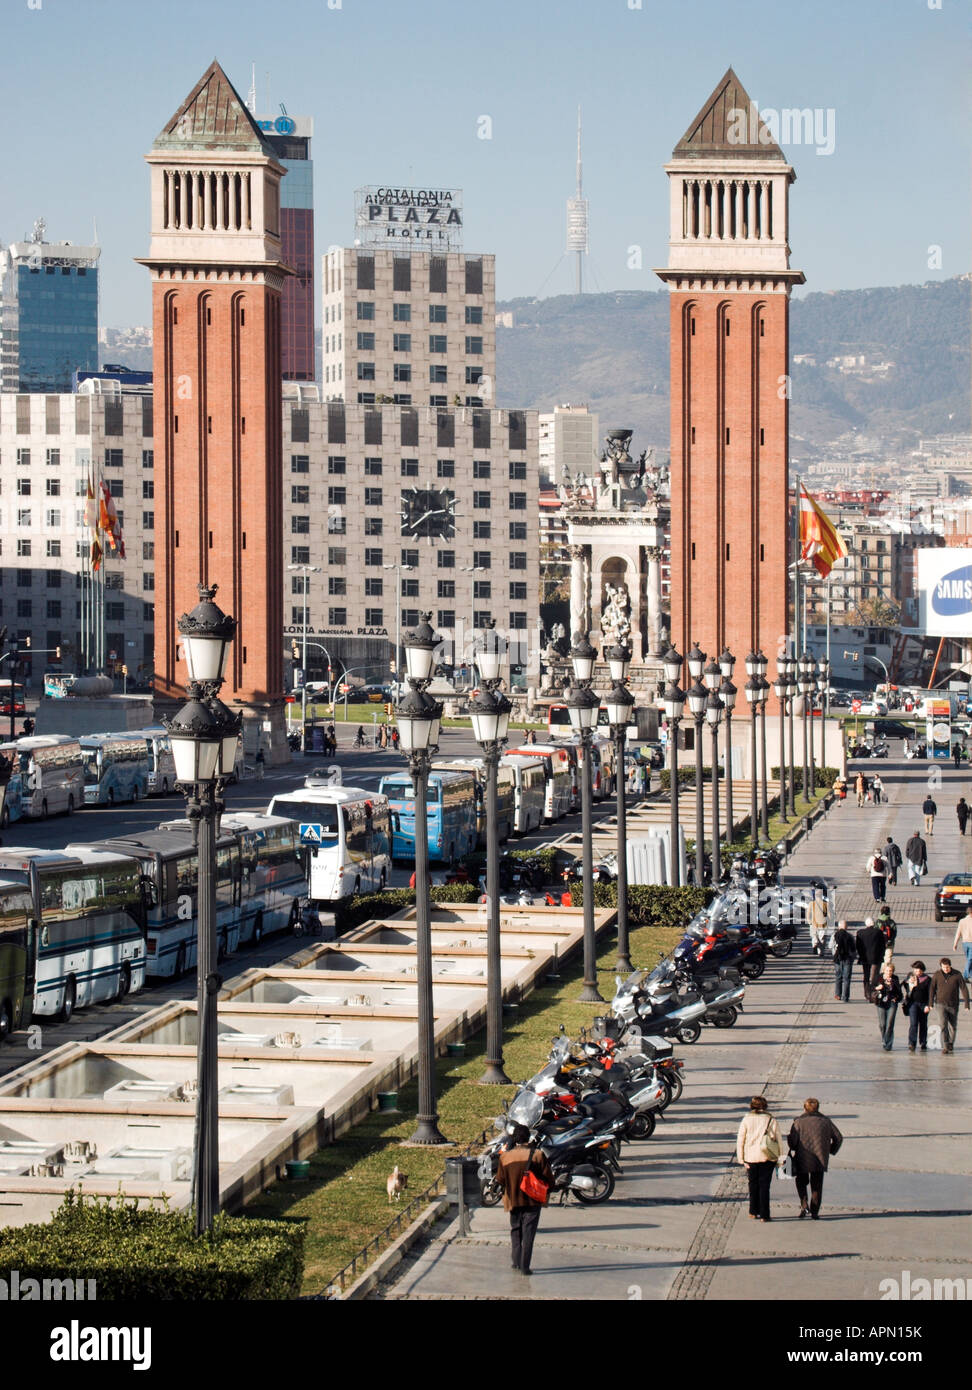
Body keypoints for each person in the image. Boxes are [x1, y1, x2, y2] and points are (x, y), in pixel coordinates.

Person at [496, 1124, 555, 1275]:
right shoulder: (538, 1155)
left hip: (513, 1200)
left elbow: (500, 1180)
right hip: (532, 1201)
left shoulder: (505, 1157)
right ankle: (525, 1266)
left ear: (514, 1138)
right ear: (528, 1138)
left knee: (515, 1231)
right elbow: (548, 1178)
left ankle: (516, 1261)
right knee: (528, 1233)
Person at [787, 1098, 843, 1220]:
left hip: (802, 1157)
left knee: (801, 1181)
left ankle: (804, 1203)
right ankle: (814, 1211)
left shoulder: (798, 1122)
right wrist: (830, 1150)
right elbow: (838, 1137)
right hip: (820, 1158)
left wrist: (792, 1143)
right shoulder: (826, 1121)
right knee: (817, 1185)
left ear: (804, 1108)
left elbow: (792, 1142)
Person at [736, 1095, 785, 1222]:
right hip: (767, 1156)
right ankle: (765, 1214)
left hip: (750, 1157)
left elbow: (740, 1140)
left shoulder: (746, 1119)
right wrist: (781, 1159)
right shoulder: (771, 1119)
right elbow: (779, 1140)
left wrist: (741, 1159)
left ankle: (753, 1211)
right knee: (765, 1186)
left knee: (752, 1184)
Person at [928, 957, 970, 1054]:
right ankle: (946, 1045)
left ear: (950, 966)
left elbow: (964, 988)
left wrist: (967, 1003)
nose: (946, 969)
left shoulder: (957, 974)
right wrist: (930, 1003)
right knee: (943, 1025)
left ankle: (951, 1043)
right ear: (941, 966)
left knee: (953, 1026)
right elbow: (932, 989)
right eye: (944, 967)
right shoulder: (937, 975)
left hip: (953, 1005)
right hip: (940, 1004)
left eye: (947, 967)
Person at [872, 960, 902, 1050]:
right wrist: (877, 988)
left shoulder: (895, 979)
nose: (889, 973)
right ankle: (884, 1038)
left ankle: (888, 1043)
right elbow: (871, 988)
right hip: (881, 1003)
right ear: (884, 971)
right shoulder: (879, 978)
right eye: (887, 971)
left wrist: (895, 996)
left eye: (890, 971)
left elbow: (900, 993)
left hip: (892, 1003)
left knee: (889, 1024)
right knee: (882, 1024)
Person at [902, 960, 931, 1052]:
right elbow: (904, 988)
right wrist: (909, 984)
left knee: (923, 1024)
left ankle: (923, 1042)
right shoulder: (910, 977)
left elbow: (931, 993)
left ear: (923, 970)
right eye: (915, 970)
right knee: (913, 1023)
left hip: (923, 1004)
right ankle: (912, 1043)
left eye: (919, 970)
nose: (917, 972)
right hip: (912, 1003)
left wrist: (929, 1005)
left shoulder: (927, 979)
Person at [856, 916, 886, 1000]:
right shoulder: (878, 932)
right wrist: (882, 955)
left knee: (866, 976)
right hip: (876, 958)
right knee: (874, 976)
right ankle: (873, 994)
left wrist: (861, 955)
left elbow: (858, 946)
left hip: (864, 958)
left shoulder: (860, 933)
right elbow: (882, 945)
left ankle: (867, 993)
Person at [832, 919, 856, 1002]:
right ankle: (845, 997)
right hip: (847, 959)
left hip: (838, 959)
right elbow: (853, 948)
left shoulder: (834, 935)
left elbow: (831, 946)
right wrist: (853, 958)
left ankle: (838, 994)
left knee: (838, 977)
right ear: (846, 927)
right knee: (847, 978)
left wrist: (834, 954)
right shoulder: (850, 936)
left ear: (839, 926)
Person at [808, 881, 829, 956]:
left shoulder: (811, 902)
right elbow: (830, 915)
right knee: (822, 937)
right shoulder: (826, 903)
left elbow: (808, 914)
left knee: (814, 934)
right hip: (823, 923)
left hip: (814, 922)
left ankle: (815, 944)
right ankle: (820, 952)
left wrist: (809, 921)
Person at [953, 908, 972, 981]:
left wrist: (955, 943)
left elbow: (958, 933)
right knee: (970, 959)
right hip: (970, 942)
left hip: (965, 943)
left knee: (969, 959)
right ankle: (965, 976)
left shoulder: (962, 921)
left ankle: (967, 975)